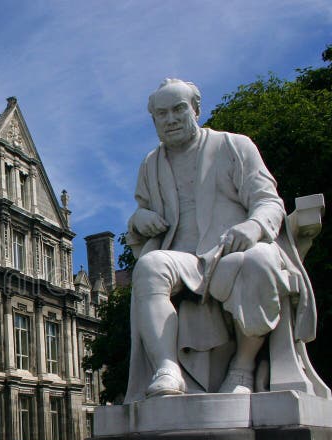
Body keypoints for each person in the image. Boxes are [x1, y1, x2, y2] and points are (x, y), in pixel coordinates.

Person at [124, 78, 320, 402]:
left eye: (178, 109)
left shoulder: (234, 145)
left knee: (259, 262)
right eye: (161, 113)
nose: (170, 119)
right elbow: (141, 214)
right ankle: (167, 368)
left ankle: (241, 367)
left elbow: (269, 201)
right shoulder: (151, 164)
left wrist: (254, 227)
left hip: (236, 247)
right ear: (154, 119)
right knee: (148, 266)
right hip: (184, 257)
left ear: (196, 109)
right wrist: (139, 218)